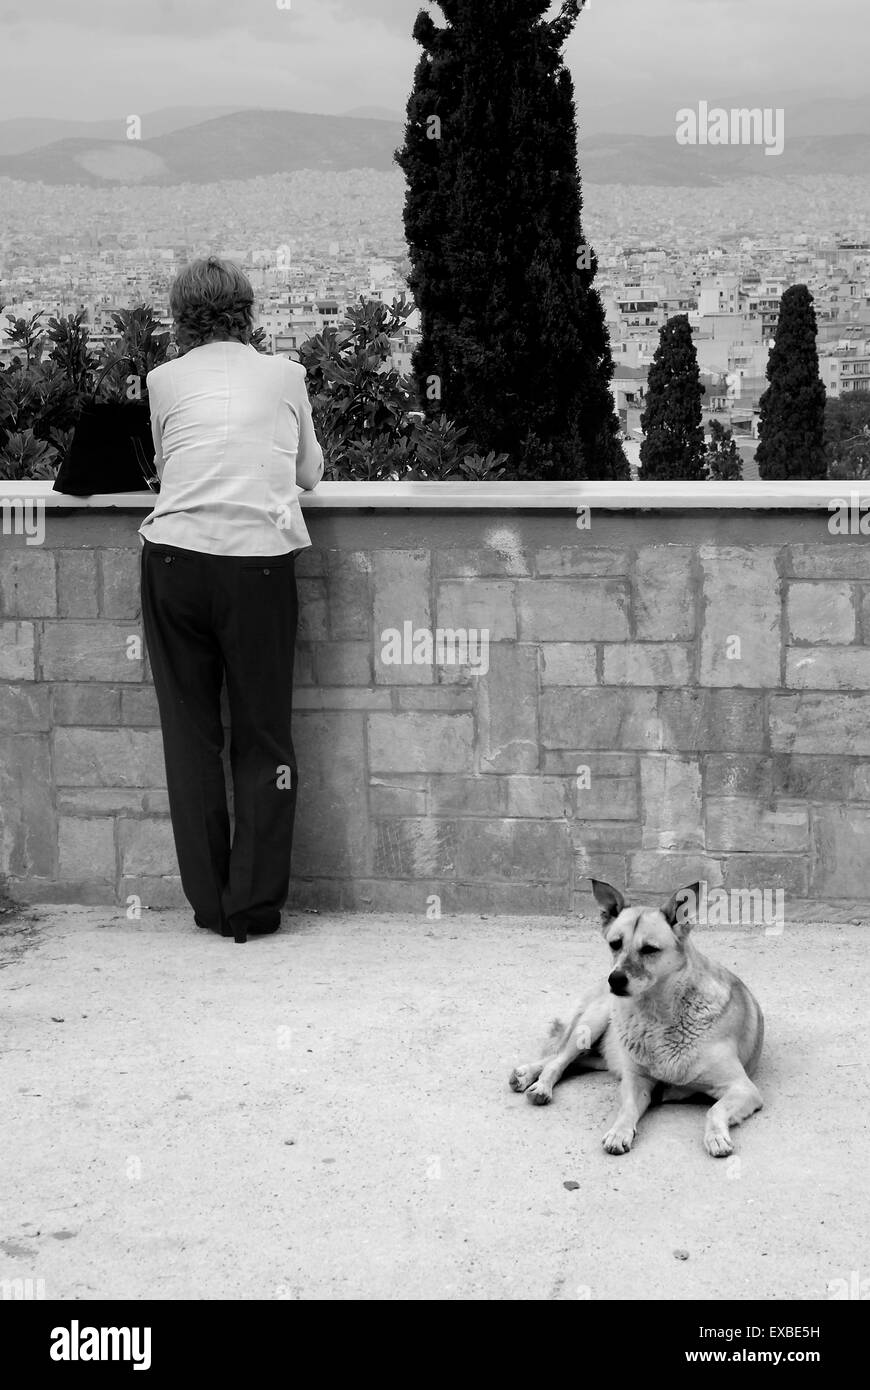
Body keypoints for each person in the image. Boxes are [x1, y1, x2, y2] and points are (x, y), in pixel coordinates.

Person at [138, 256, 324, 943]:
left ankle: (210, 904)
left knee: (190, 738)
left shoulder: (162, 379)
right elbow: (308, 472)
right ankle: (254, 906)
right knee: (265, 738)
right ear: (248, 311)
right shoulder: (284, 376)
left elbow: (166, 469)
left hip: (174, 560)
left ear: (180, 315)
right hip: (258, 567)